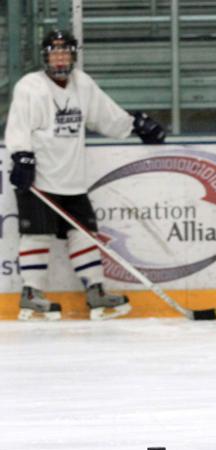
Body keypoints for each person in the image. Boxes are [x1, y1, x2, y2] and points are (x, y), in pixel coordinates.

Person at [5, 29, 166, 321]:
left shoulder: (82, 84)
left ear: (74, 55)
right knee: (36, 235)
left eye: (65, 52)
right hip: (39, 178)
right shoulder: (30, 86)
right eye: (54, 53)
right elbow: (18, 126)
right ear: (45, 57)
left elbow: (105, 115)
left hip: (73, 179)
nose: (60, 58)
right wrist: (21, 156)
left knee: (84, 233)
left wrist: (135, 126)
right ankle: (31, 294)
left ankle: (95, 291)